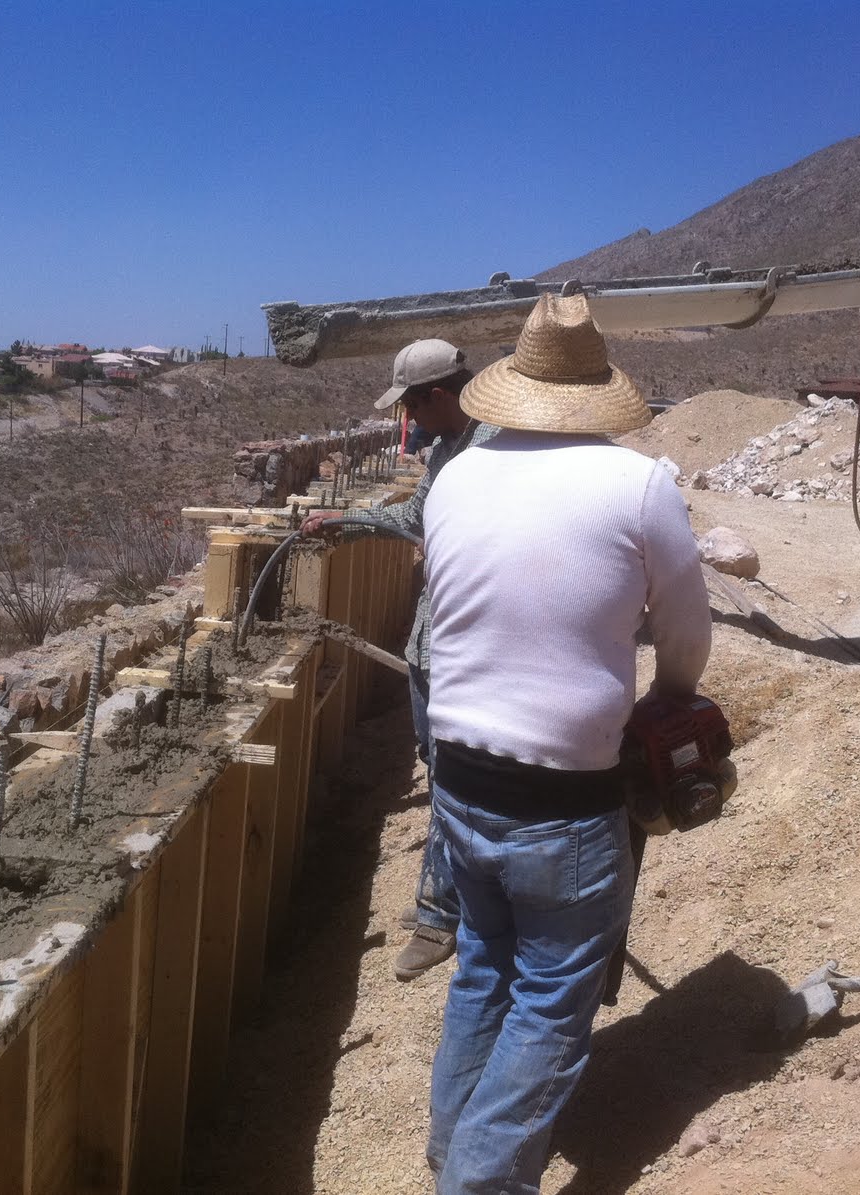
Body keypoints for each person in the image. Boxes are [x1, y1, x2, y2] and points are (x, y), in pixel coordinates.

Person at [421, 293, 711, 1193]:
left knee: (485, 964)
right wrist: (667, 702)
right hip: (566, 809)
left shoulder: (456, 476)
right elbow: (687, 637)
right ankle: (477, 1183)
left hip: (456, 785)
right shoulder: (638, 485)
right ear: (597, 389)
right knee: (550, 1002)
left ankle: (449, 1150)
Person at [301, 338, 498, 980]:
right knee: (436, 767)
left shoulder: (495, 452)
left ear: (438, 395)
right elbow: (414, 517)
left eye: (411, 407)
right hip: (427, 642)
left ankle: (440, 916)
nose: (407, 421)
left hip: (467, 648)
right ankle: (458, 889)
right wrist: (343, 521)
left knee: (454, 778)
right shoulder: (444, 449)